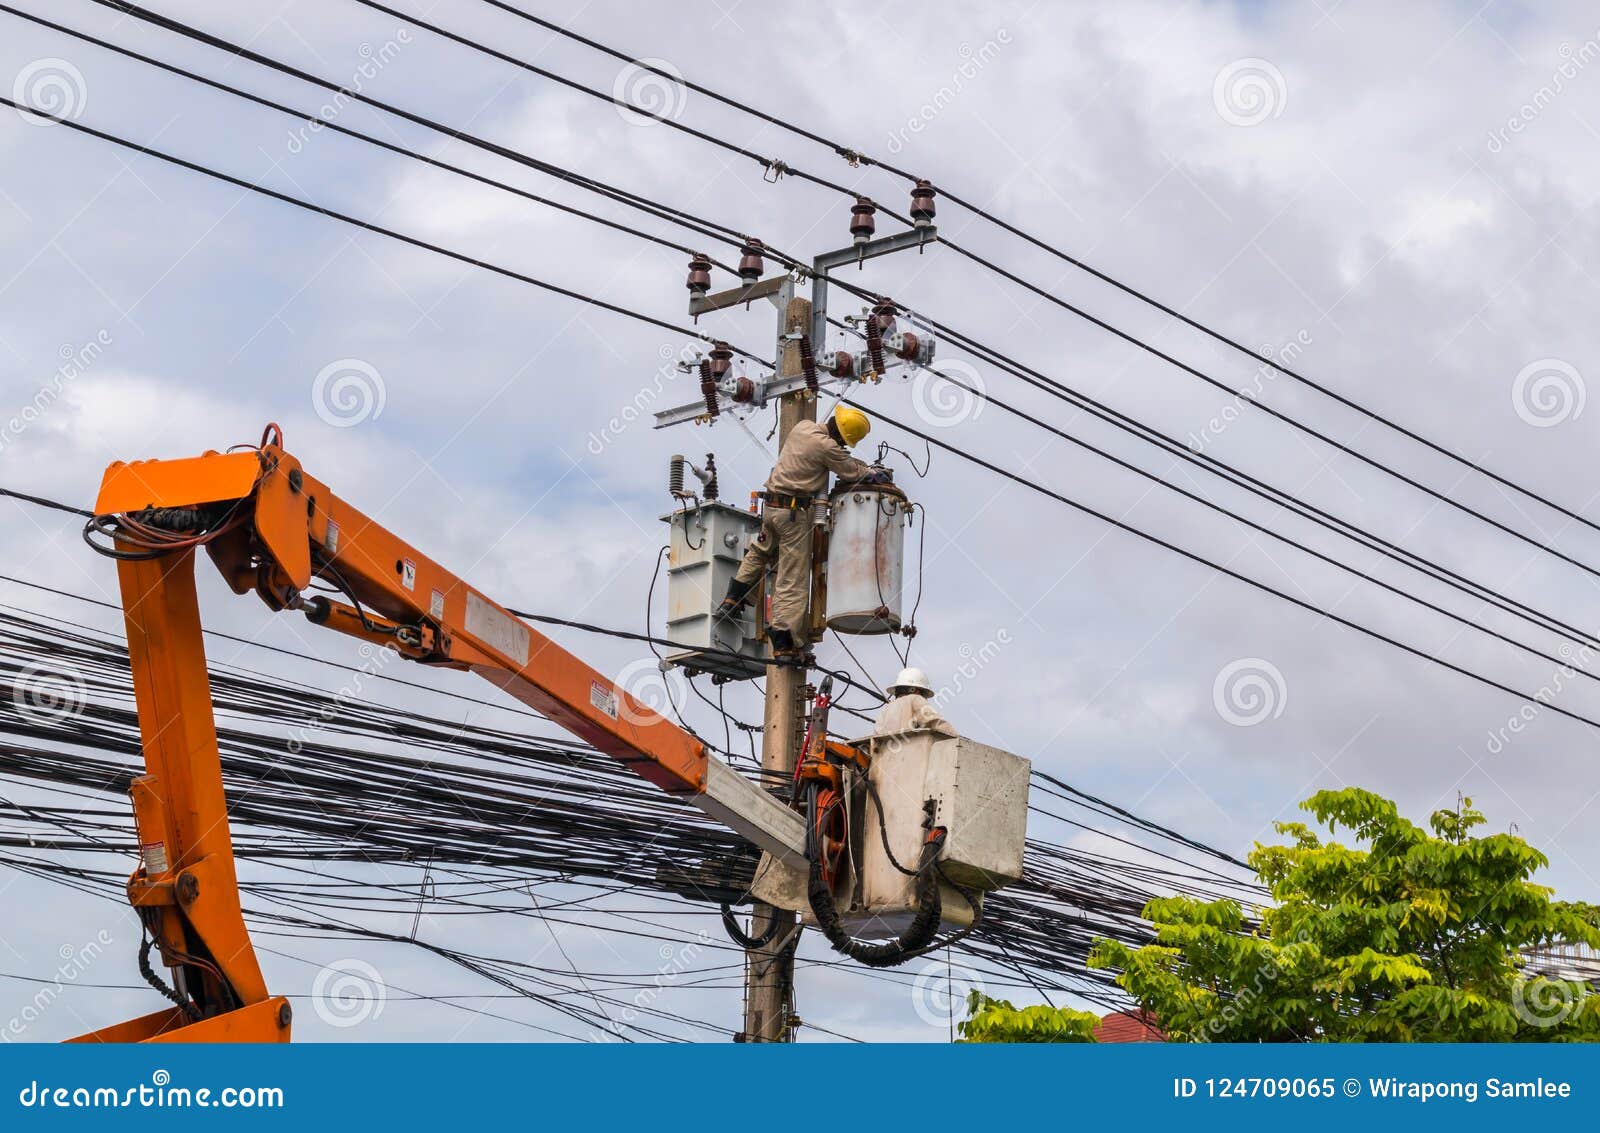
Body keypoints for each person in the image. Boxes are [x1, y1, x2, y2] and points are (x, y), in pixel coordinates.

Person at [719, 405, 889, 654]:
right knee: (793, 577)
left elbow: (839, 458)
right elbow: (851, 471)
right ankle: (784, 639)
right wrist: (874, 474)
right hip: (793, 517)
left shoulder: (803, 427)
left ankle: (731, 599)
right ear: (843, 437)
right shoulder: (828, 448)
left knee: (759, 551)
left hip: (772, 508)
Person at [874, 667, 954, 737]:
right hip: (913, 752)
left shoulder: (886, 709)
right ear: (915, 690)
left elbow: (877, 736)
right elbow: (935, 722)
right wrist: (958, 740)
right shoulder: (915, 698)